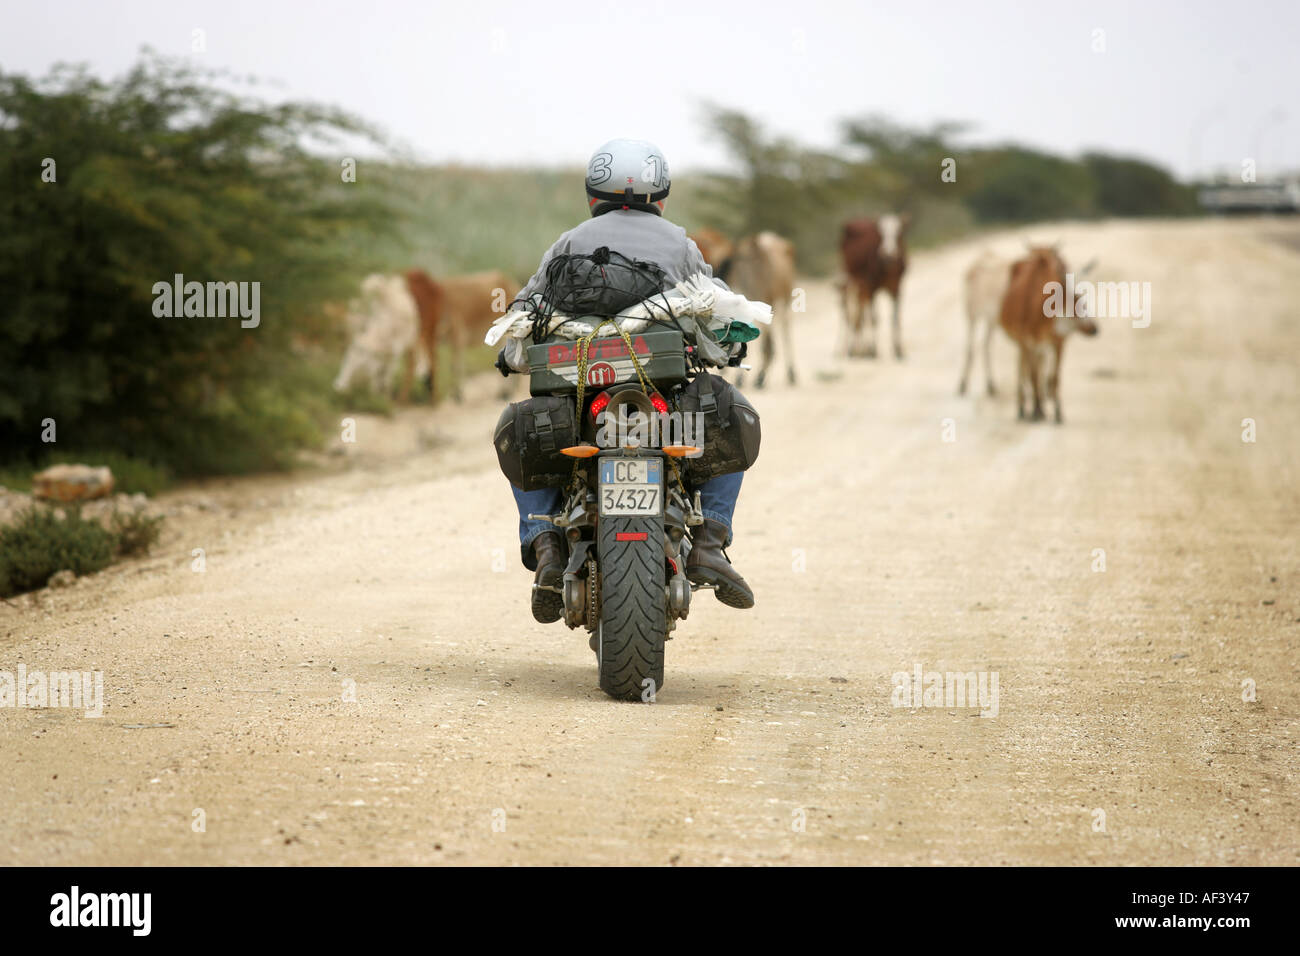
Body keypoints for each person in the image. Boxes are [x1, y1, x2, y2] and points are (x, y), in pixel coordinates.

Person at [502, 138, 755, 624]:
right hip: (660, 390)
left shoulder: (571, 240)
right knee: (730, 417)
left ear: (593, 194)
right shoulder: (680, 241)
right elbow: (717, 305)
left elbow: (524, 310)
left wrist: (508, 354)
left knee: (528, 429)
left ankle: (546, 545)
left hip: (582, 391)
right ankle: (710, 542)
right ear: (659, 196)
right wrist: (732, 343)